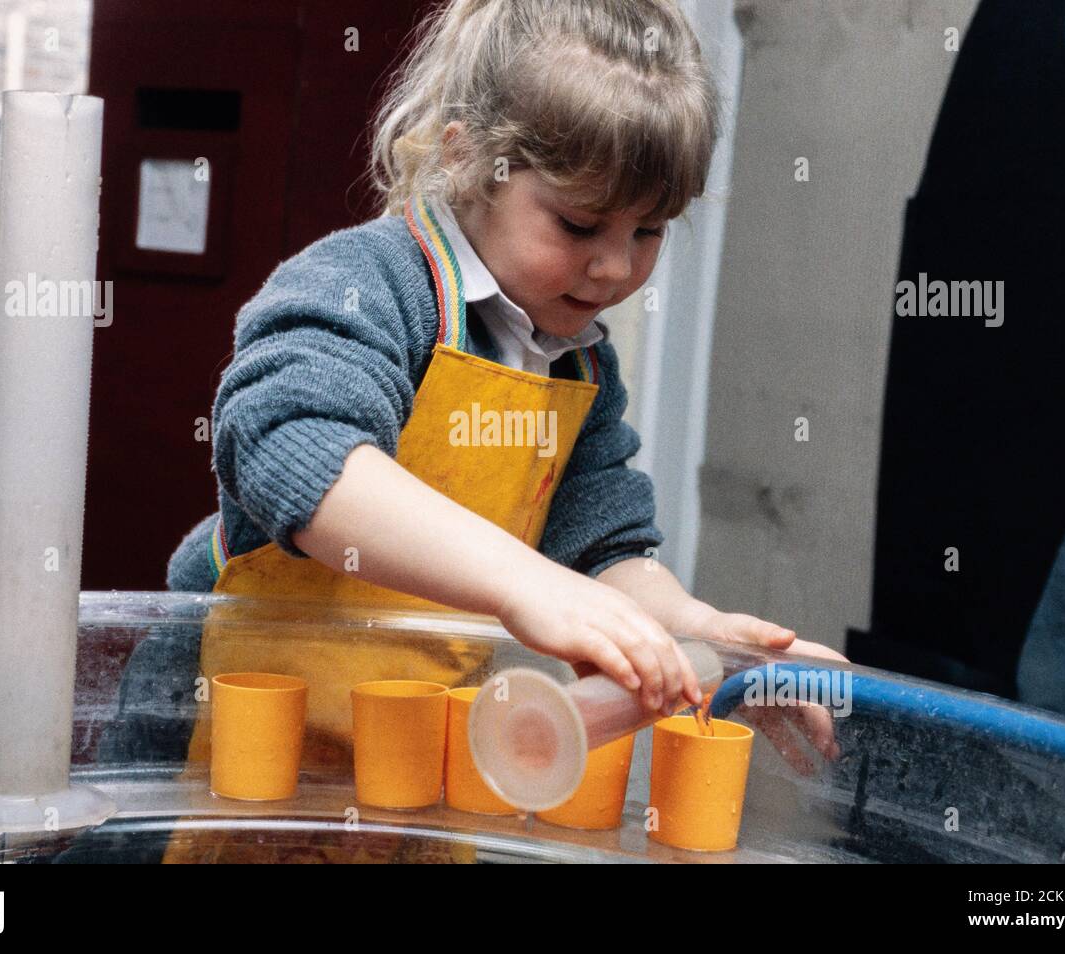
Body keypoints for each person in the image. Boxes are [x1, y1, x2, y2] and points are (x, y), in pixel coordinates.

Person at [164, 0, 843, 779]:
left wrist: (702, 632)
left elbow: (602, 550)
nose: (617, 267)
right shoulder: (368, 286)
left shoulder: (578, 362)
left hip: (410, 767)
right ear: (465, 159)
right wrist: (524, 584)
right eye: (580, 225)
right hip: (215, 747)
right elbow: (299, 457)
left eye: (649, 230)